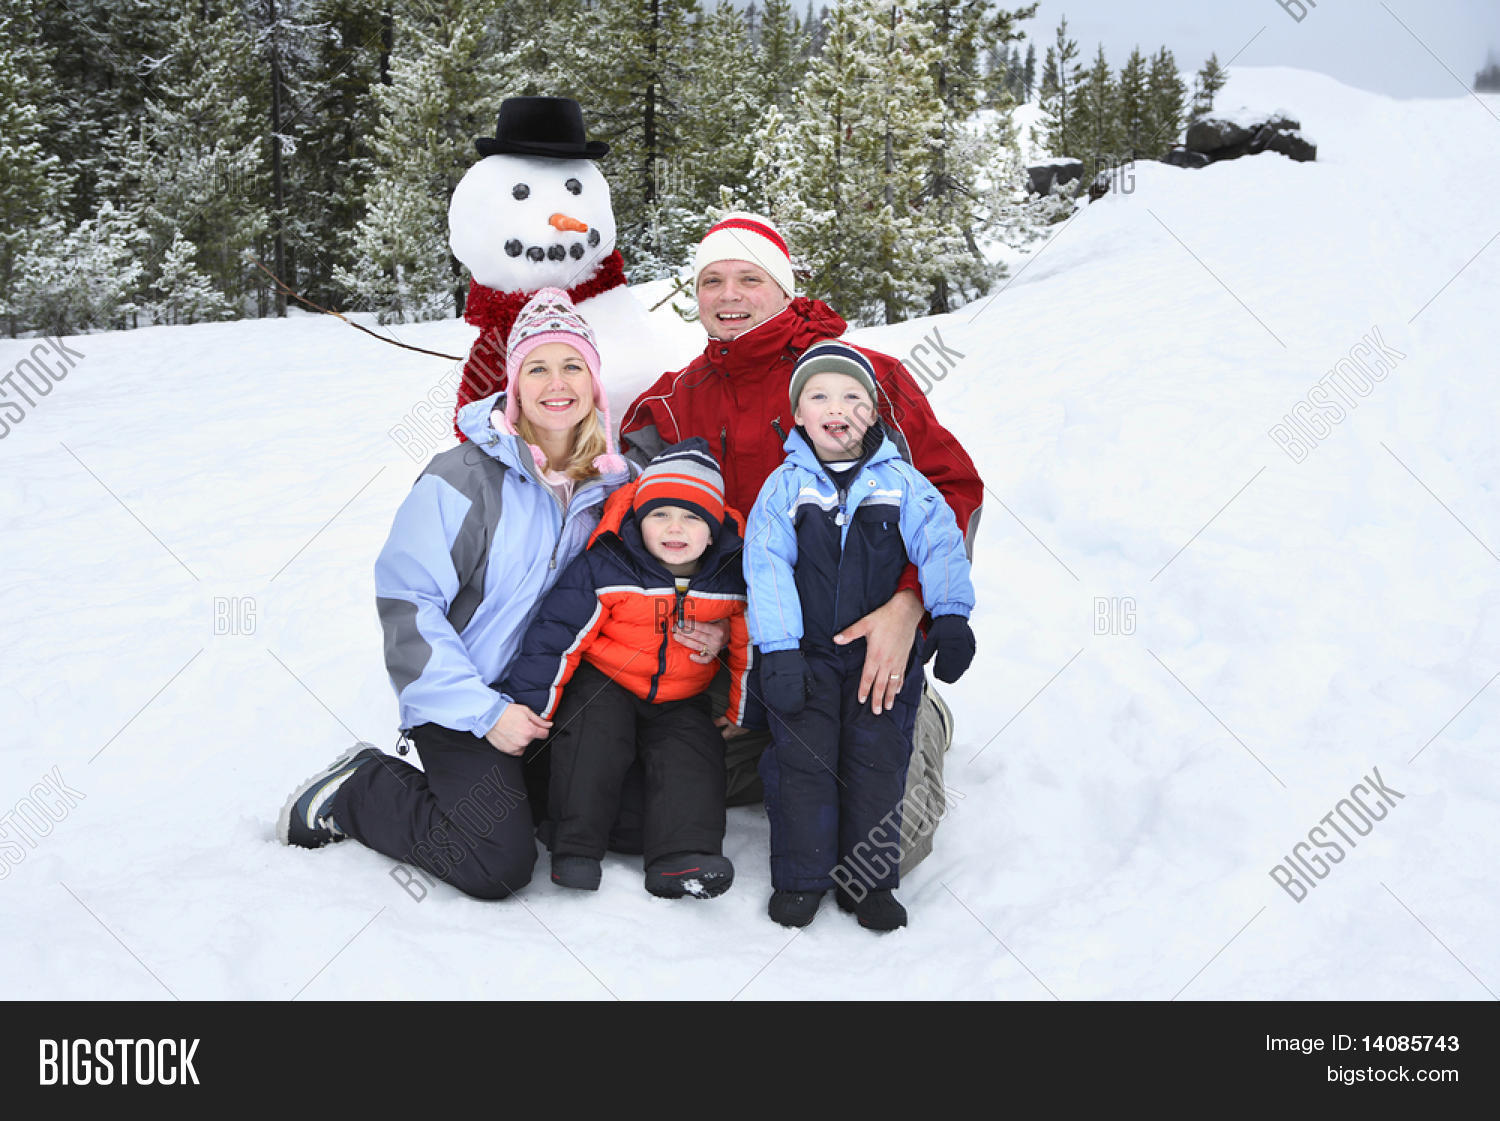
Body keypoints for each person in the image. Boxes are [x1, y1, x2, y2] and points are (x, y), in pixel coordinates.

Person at [619, 213, 984, 875]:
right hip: (735, 656)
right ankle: (781, 744)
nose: (729, 295)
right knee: (639, 797)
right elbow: (632, 536)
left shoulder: (865, 379)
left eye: (749, 278)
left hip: (857, 649)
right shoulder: (669, 406)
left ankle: (917, 715)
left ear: (785, 289)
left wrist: (909, 607)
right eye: (712, 281)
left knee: (877, 855)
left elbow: (952, 490)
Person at [276, 287, 633, 900]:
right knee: (496, 862)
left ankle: (522, 796)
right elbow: (408, 602)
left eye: (573, 365)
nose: (557, 382)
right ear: (514, 385)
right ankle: (360, 787)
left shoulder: (611, 485)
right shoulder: (463, 476)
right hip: (462, 700)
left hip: (551, 697)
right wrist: (485, 712)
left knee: (630, 824)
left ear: (594, 384)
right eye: (538, 367)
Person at [746, 341, 976, 930]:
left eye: (853, 397)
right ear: (798, 415)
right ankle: (802, 876)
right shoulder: (783, 488)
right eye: (818, 396)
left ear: (873, 413)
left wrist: (949, 617)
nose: (836, 407)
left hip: (885, 659)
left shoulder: (903, 483)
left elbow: (942, 546)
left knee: (879, 758)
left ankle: (869, 881)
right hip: (810, 656)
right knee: (804, 762)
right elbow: (766, 567)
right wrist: (778, 651)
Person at [501, 439, 760, 898]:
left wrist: (740, 712)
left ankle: (685, 856)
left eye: (692, 517)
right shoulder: (609, 563)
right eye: (660, 514)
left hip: (682, 695)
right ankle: (575, 845)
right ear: (639, 518)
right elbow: (557, 637)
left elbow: (747, 645)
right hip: (606, 681)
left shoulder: (731, 575)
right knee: (592, 740)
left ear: (715, 527)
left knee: (694, 757)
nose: (673, 528)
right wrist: (532, 708)